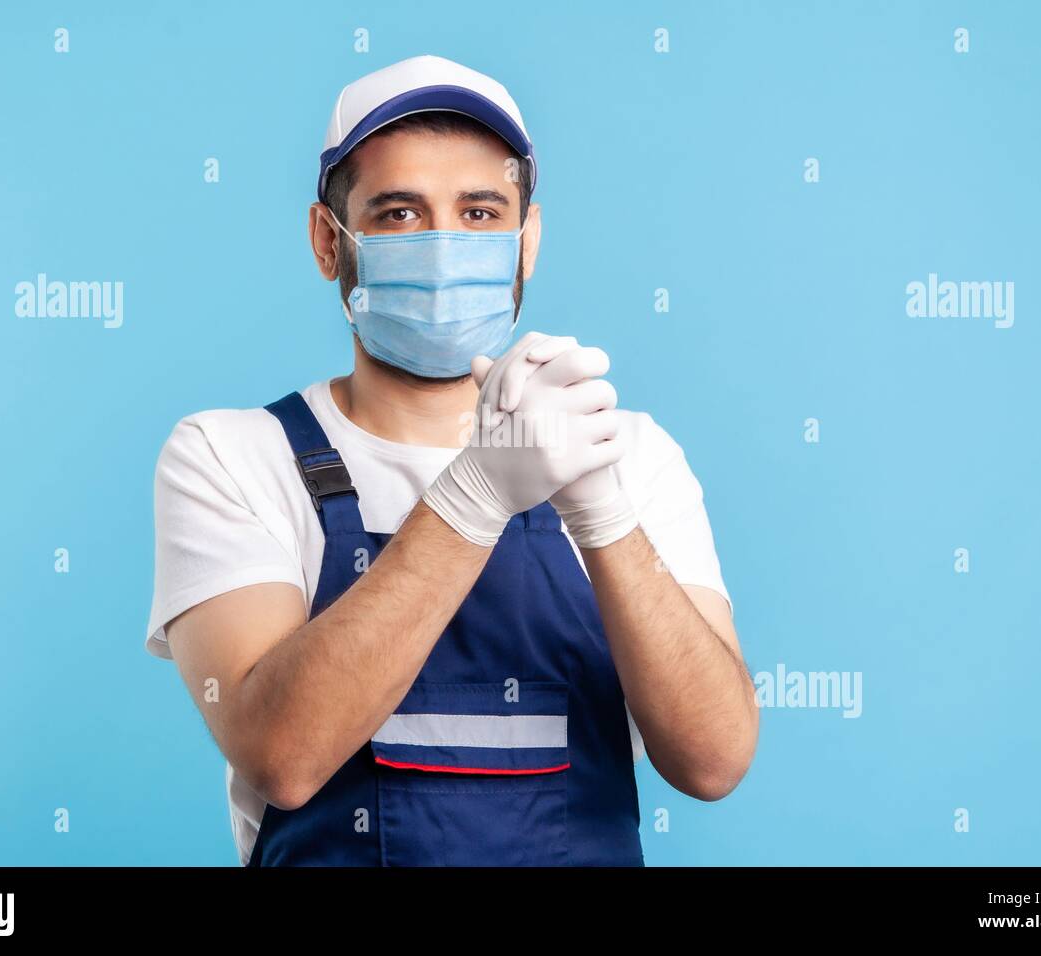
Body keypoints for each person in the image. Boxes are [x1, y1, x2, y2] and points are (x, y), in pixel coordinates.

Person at [146, 55, 758, 866]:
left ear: (526, 241)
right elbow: (282, 755)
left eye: (480, 212)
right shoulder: (232, 455)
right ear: (329, 242)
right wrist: (475, 494)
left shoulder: (630, 456)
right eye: (399, 214)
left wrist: (604, 516)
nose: (443, 246)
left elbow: (713, 760)